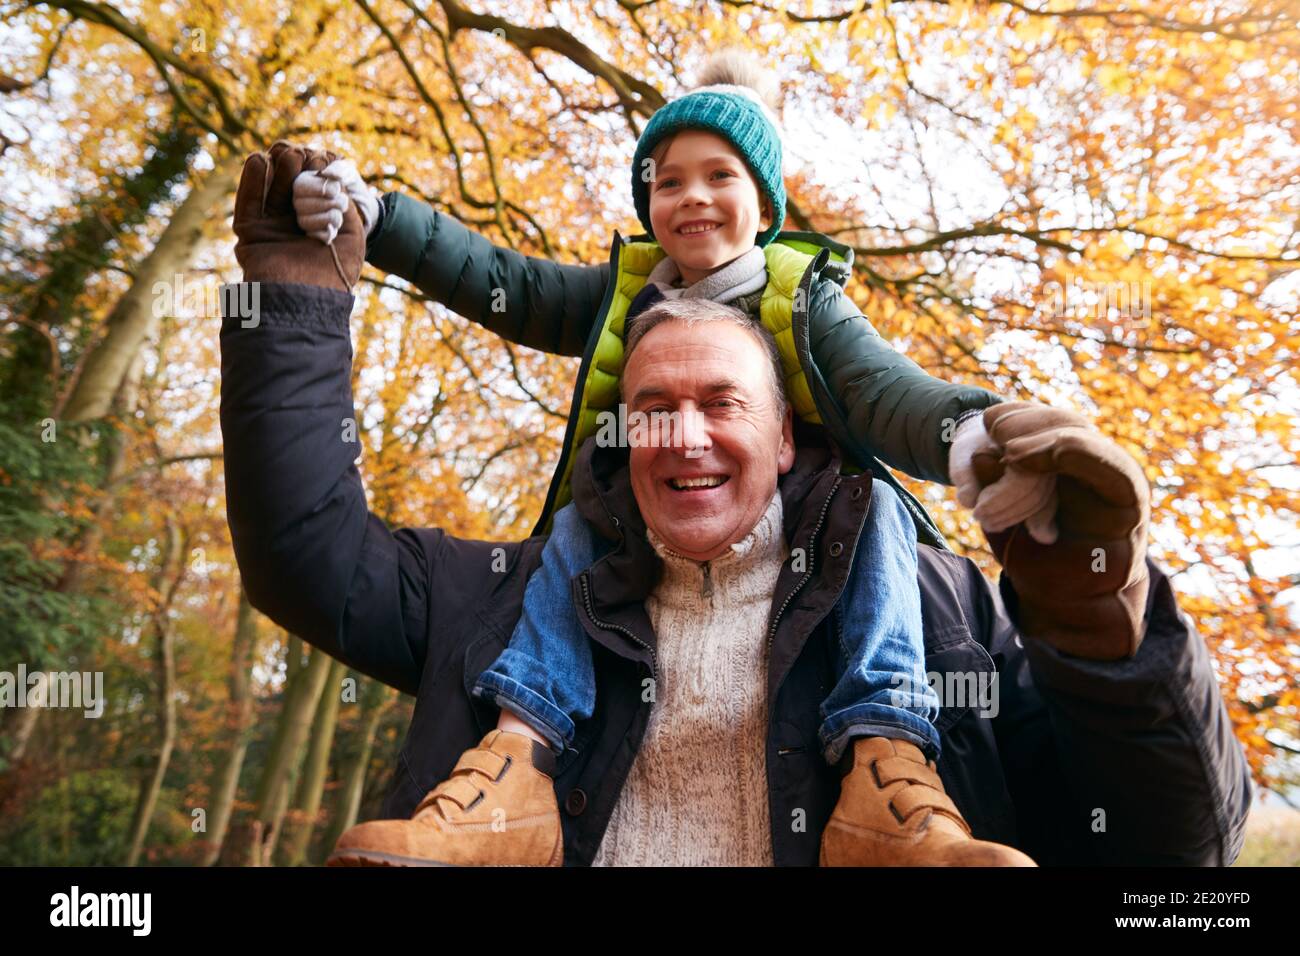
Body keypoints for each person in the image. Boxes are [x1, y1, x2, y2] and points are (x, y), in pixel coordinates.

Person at [222, 142, 1252, 866]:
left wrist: (1088, 600)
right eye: (649, 406)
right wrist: (290, 301)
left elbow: (1171, 847)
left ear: (786, 430)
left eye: (720, 401)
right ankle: (511, 769)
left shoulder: (945, 623)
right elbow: (303, 550)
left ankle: (888, 774)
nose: (681, 432)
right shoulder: (507, 595)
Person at [289, 51, 1055, 865]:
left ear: (764, 205)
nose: (693, 196)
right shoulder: (622, 294)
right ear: (650, 203)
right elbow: (502, 280)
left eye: (719, 176)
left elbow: (883, 391)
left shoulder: (802, 299)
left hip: (805, 516)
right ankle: (516, 757)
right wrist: (380, 216)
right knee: (575, 532)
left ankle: (887, 758)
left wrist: (973, 436)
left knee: (878, 521)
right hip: (644, 504)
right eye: (668, 180)